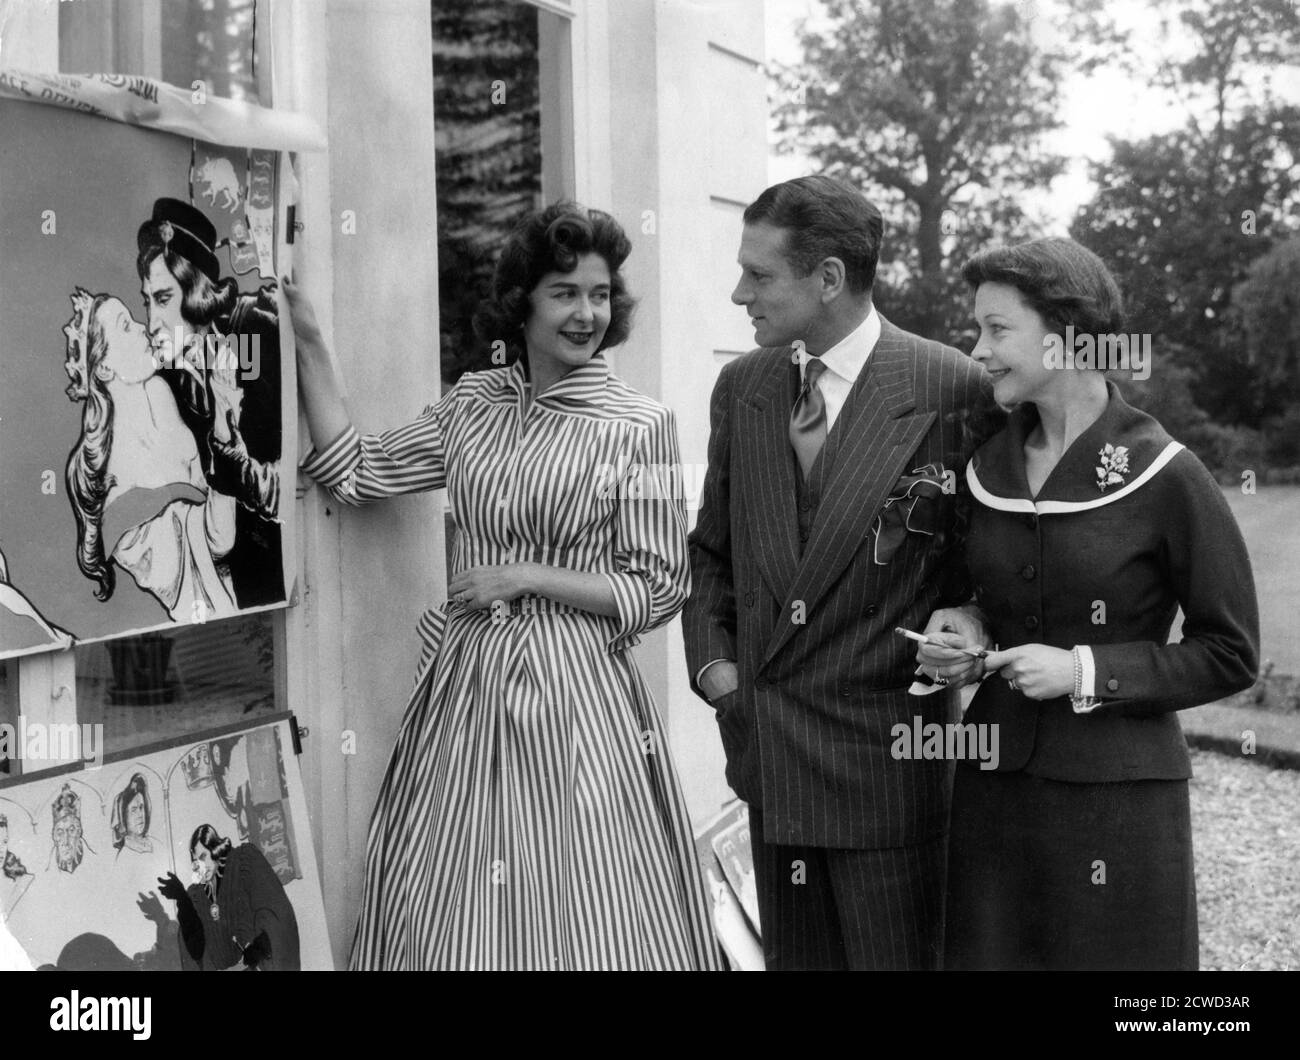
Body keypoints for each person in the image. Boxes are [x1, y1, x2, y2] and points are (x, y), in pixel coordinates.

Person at [288, 201, 721, 970]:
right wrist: (309, 340)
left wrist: (528, 576)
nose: (587, 313)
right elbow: (358, 470)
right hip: (467, 686)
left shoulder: (642, 424)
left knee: (577, 894)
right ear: (523, 301)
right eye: (565, 293)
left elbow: (660, 585)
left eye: (599, 294)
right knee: (449, 889)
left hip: (577, 696)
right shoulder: (473, 404)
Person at [683, 175, 999, 970]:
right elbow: (711, 553)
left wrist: (970, 621)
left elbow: (994, 566)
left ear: (827, 278)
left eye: (759, 275)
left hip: (887, 773)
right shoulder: (744, 387)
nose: (739, 294)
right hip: (769, 757)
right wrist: (720, 675)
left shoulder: (952, 387)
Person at [918, 237, 1259, 970]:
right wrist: (965, 626)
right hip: (994, 791)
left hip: (1118, 803)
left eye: (997, 329)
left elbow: (1231, 653)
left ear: (1067, 335)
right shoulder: (982, 464)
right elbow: (979, 595)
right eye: (978, 329)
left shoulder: (1167, 473)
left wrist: (1084, 672)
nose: (978, 350)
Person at [137, 197, 283, 609]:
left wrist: (232, 446)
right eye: (147, 301)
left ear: (195, 292)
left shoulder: (248, 335)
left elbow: (280, 464)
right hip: (221, 577)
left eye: (163, 298)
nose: (151, 322)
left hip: (277, 561)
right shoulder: (164, 378)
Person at [63, 289, 239, 623]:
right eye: (125, 325)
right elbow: (219, 539)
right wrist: (224, 425)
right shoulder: (117, 500)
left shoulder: (159, 393)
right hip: (207, 623)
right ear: (104, 368)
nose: (142, 327)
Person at [158, 824, 300, 971]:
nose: (200, 866)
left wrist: (260, 947)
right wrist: (182, 899)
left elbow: (276, 913)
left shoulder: (243, 862)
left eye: (203, 856)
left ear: (215, 849)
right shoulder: (196, 895)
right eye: (195, 862)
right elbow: (196, 951)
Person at [110, 774, 155, 856]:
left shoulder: (153, 845)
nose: (140, 814)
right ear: (124, 818)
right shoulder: (126, 855)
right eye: (134, 810)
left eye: (141, 807)